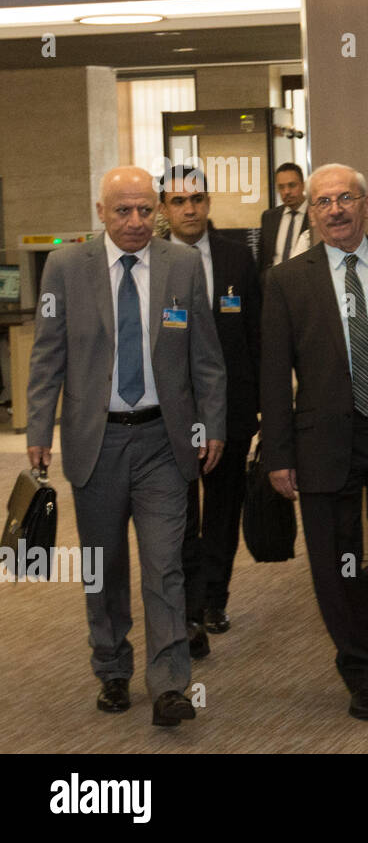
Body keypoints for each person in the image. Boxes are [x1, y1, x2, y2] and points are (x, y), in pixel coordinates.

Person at [26, 166, 226, 726]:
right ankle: (112, 666)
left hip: (165, 439)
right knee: (103, 565)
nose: (137, 221)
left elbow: (205, 356)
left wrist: (212, 423)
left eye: (145, 210)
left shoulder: (182, 265)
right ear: (101, 212)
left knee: (165, 566)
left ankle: (169, 685)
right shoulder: (67, 267)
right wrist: (39, 430)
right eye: (124, 211)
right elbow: (47, 356)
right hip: (98, 440)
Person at [260, 163, 368, 720]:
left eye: (346, 198)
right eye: (323, 202)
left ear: (366, 205)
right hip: (321, 441)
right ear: (311, 213)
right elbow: (275, 375)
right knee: (334, 561)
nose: (335, 210)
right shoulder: (286, 281)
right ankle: (365, 672)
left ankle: (365, 610)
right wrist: (277, 454)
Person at [159, 165, 261, 649]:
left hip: (233, 408)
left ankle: (213, 599)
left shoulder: (238, 259)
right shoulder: (153, 262)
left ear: (208, 202)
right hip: (171, 412)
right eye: (179, 201)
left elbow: (257, 336)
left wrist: (264, 407)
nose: (190, 209)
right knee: (180, 512)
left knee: (223, 509)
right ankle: (187, 605)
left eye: (197, 199)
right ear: (165, 208)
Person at [259, 162, 311, 271]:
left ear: (303, 185)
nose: (286, 191)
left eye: (292, 185)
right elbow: (263, 258)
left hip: (303, 280)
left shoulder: (315, 215)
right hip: (273, 283)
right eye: (281, 187)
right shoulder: (269, 217)